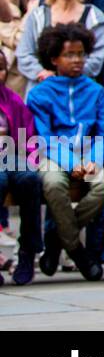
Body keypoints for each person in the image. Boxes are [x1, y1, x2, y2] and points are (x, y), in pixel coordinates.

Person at [27, 23, 104, 280]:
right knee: (53, 183)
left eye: (81, 54)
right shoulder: (39, 94)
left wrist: (94, 160)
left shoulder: (96, 91)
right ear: (54, 59)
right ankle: (77, 251)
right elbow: (44, 137)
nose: (77, 60)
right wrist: (70, 162)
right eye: (69, 55)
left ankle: (56, 240)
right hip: (52, 156)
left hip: (90, 154)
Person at [0, 51, 40, 285]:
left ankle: (28, 250)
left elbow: (29, 138)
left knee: (29, 179)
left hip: (11, 157)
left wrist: (32, 161)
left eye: (2, 68)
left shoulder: (12, 100)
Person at [0, 0, 28, 96]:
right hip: (10, 88)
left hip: (29, 85)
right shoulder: (2, 17)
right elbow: (21, 42)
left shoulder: (28, 9)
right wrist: (29, 16)